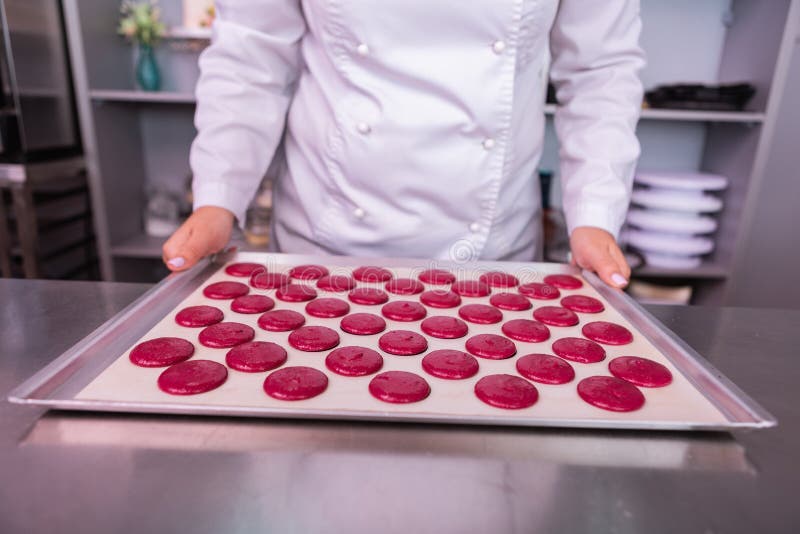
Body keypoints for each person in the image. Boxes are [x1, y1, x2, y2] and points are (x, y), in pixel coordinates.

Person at [163, 1, 644, 288]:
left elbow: (599, 70)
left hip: (493, 255)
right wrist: (218, 198)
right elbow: (251, 55)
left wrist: (594, 215)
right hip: (325, 249)